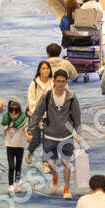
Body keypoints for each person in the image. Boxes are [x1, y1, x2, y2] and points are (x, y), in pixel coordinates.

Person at [29, 69, 82, 198]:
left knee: (66, 163)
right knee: (51, 163)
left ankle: (66, 189)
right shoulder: (47, 96)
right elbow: (37, 113)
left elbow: (77, 116)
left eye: (63, 81)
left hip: (66, 135)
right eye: (58, 81)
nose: (60, 84)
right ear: (54, 81)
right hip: (49, 135)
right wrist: (31, 129)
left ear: (66, 82)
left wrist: (78, 133)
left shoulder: (71, 96)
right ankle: (55, 178)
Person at [2, 100, 29, 195]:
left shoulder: (23, 120)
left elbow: (25, 129)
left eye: (16, 113)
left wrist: (27, 134)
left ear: (19, 112)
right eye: (11, 113)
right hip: (10, 146)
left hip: (19, 146)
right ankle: (10, 185)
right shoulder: (7, 121)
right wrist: (5, 128)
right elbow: (5, 131)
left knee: (18, 166)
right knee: (11, 167)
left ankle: (17, 184)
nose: (13, 115)